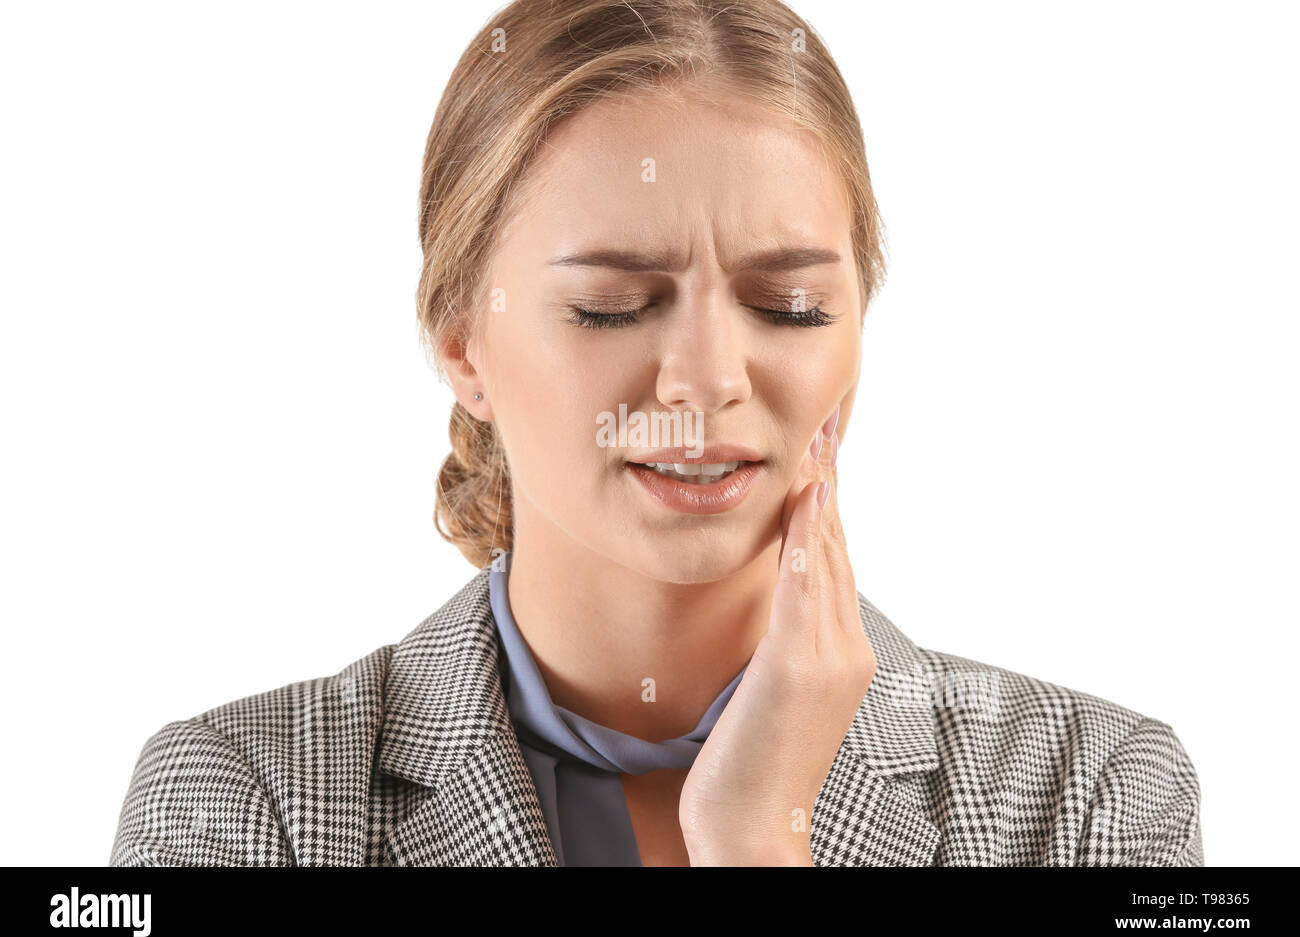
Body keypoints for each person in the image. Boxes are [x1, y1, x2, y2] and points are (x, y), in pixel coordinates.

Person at [110, 0, 1203, 867]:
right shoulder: (241, 805)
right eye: (613, 306)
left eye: (788, 307)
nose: (710, 379)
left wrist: (758, 844)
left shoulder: (1090, 797)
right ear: (461, 344)